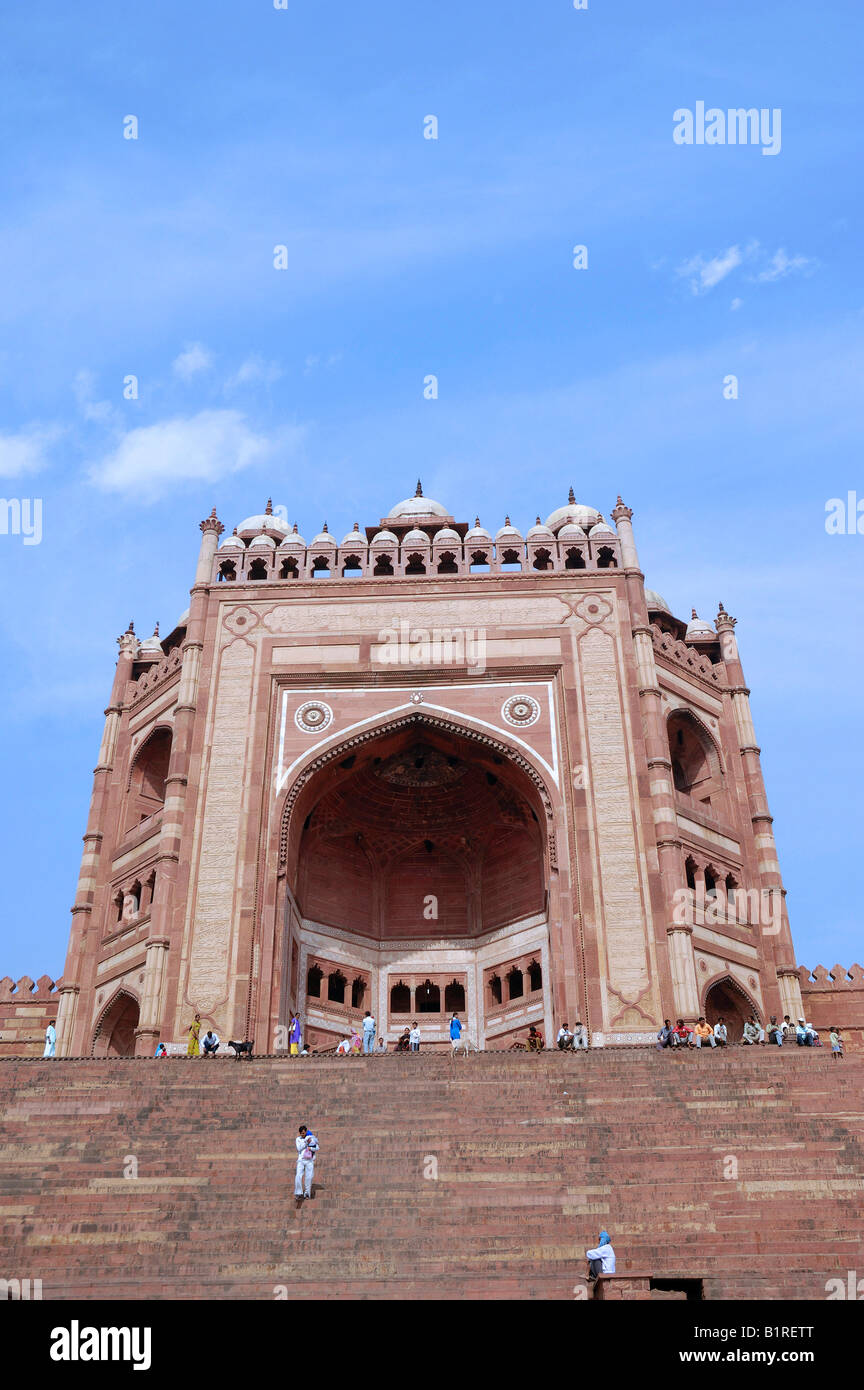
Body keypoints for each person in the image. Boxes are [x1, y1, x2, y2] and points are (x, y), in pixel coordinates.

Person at [294, 1124, 319, 1201]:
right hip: (301, 1160)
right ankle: (298, 1193)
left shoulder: (311, 1138)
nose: (303, 1134)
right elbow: (298, 1148)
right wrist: (305, 1142)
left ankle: (307, 1193)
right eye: (301, 1133)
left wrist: (310, 1147)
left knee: (309, 1177)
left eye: (304, 1133)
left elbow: (317, 1148)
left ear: (306, 1132)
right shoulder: (298, 1139)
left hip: (309, 1160)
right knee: (298, 1175)